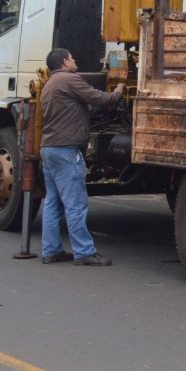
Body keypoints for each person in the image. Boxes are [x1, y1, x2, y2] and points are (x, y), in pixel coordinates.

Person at [38, 47, 123, 265]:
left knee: (53, 203)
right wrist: (118, 92)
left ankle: (51, 250)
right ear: (65, 63)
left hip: (49, 149)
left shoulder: (50, 84)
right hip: (67, 150)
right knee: (75, 203)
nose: (75, 61)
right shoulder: (69, 79)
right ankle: (84, 252)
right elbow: (98, 98)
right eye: (72, 58)